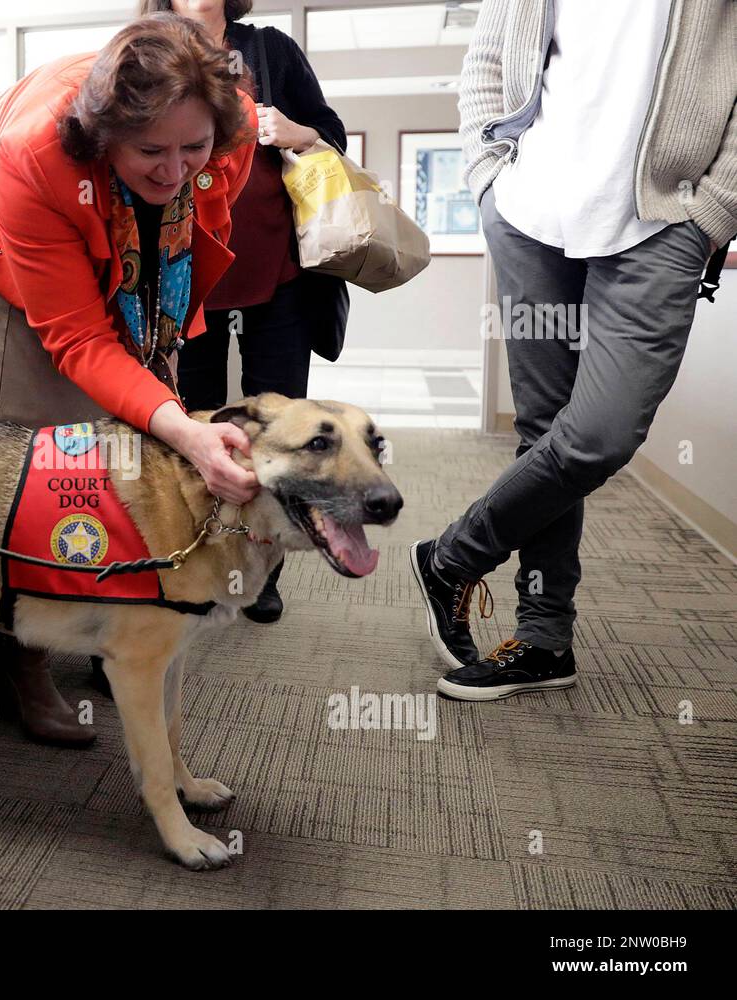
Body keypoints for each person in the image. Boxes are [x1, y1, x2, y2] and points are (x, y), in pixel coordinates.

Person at [0, 12, 259, 735]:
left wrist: (160, 369)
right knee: (37, 449)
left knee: (134, 435)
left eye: (192, 147)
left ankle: (113, 621)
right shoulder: (34, 153)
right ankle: (20, 653)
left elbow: (193, 240)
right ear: (106, 136)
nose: (175, 169)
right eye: (150, 150)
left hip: (122, 241)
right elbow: (75, 338)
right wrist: (182, 429)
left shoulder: (231, 123)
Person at [410, 0, 735, 701]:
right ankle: (545, 637)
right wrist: (489, 176)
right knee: (543, 431)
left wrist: (713, 214)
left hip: (663, 221)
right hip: (529, 209)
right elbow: (489, 61)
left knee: (597, 437)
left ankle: (452, 557)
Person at [150, 0, 348, 624]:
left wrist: (297, 131)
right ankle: (206, 559)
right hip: (194, 278)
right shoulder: (151, 47)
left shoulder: (268, 50)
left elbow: (332, 138)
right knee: (204, 423)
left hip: (280, 277)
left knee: (284, 423)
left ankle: (265, 571)